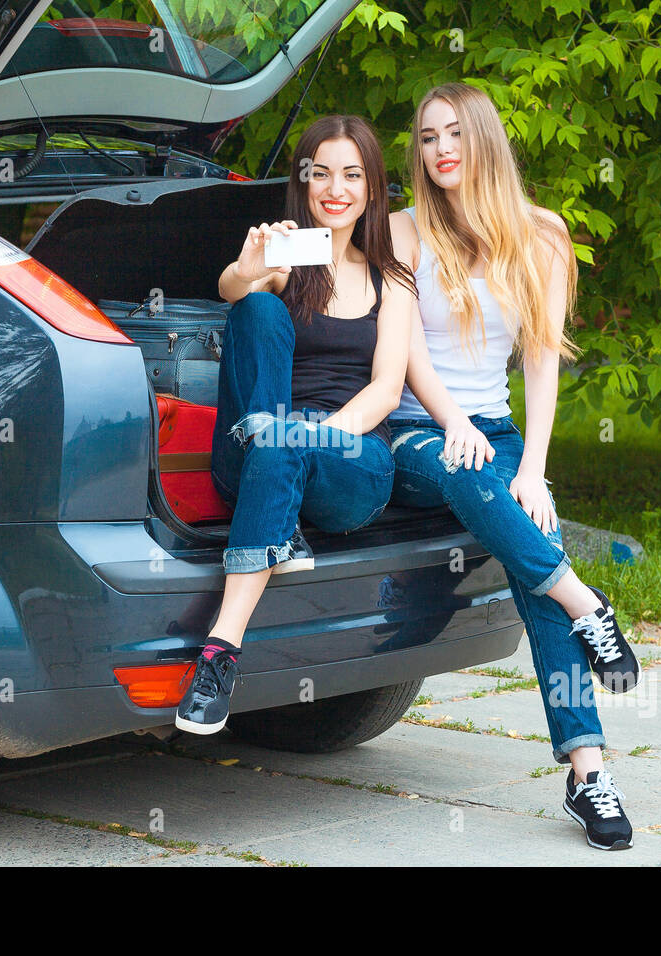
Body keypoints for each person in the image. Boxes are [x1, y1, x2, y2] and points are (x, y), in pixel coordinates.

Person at [387, 83, 640, 850]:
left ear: (485, 139)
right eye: (427, 138)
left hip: (497, 433)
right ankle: (587, 603)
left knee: (530, 539)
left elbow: (539, 363)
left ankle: (587, 773)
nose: (440, 150)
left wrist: (532, 468)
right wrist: (453, 421)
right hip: (417, 431)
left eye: (454, 133)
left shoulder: (544, 235)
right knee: (477, 483)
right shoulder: (403, 232)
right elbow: (404, 353)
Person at [174, 115, 417, 736]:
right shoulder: (286, 262)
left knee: (285, 438)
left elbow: (387, 390)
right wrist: (251, 264)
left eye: (353, 175)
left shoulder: (390, 277)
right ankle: (220, 652)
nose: (336, 188)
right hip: (263, 449)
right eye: (322, 173)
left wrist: (314, 436)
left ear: (372, 188)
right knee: (257, 314)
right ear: (304, 182)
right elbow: (231, 291)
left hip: (350, 459)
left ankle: (218, 651)